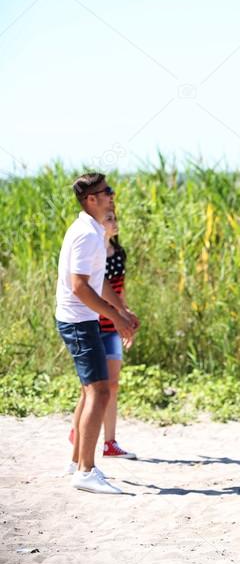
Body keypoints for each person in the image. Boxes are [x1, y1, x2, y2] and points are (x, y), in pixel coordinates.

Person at [56, 173, 138, 494]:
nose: (112, 195)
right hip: (78, 321)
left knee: (91, 392)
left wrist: (122, 309)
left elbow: (98, 281)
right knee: (100, 392)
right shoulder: (88, 235)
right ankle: (86, 471)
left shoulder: (92, 230)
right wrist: (115, 317)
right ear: (91, 200)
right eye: (107, 192)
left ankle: (77, 461)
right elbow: (79, 287)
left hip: (82, 319)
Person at [68, 209, 137, 460]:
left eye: (115, 218)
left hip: (113, 325)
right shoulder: (91, 250)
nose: (114, 222)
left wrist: (125, 315)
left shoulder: (118, 254)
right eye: (109, 218)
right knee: (91, 389)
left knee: (112, 385)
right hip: (94, 322)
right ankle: (79, 437)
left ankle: (110, 443)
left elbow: (118, 290)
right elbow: (88, 289)